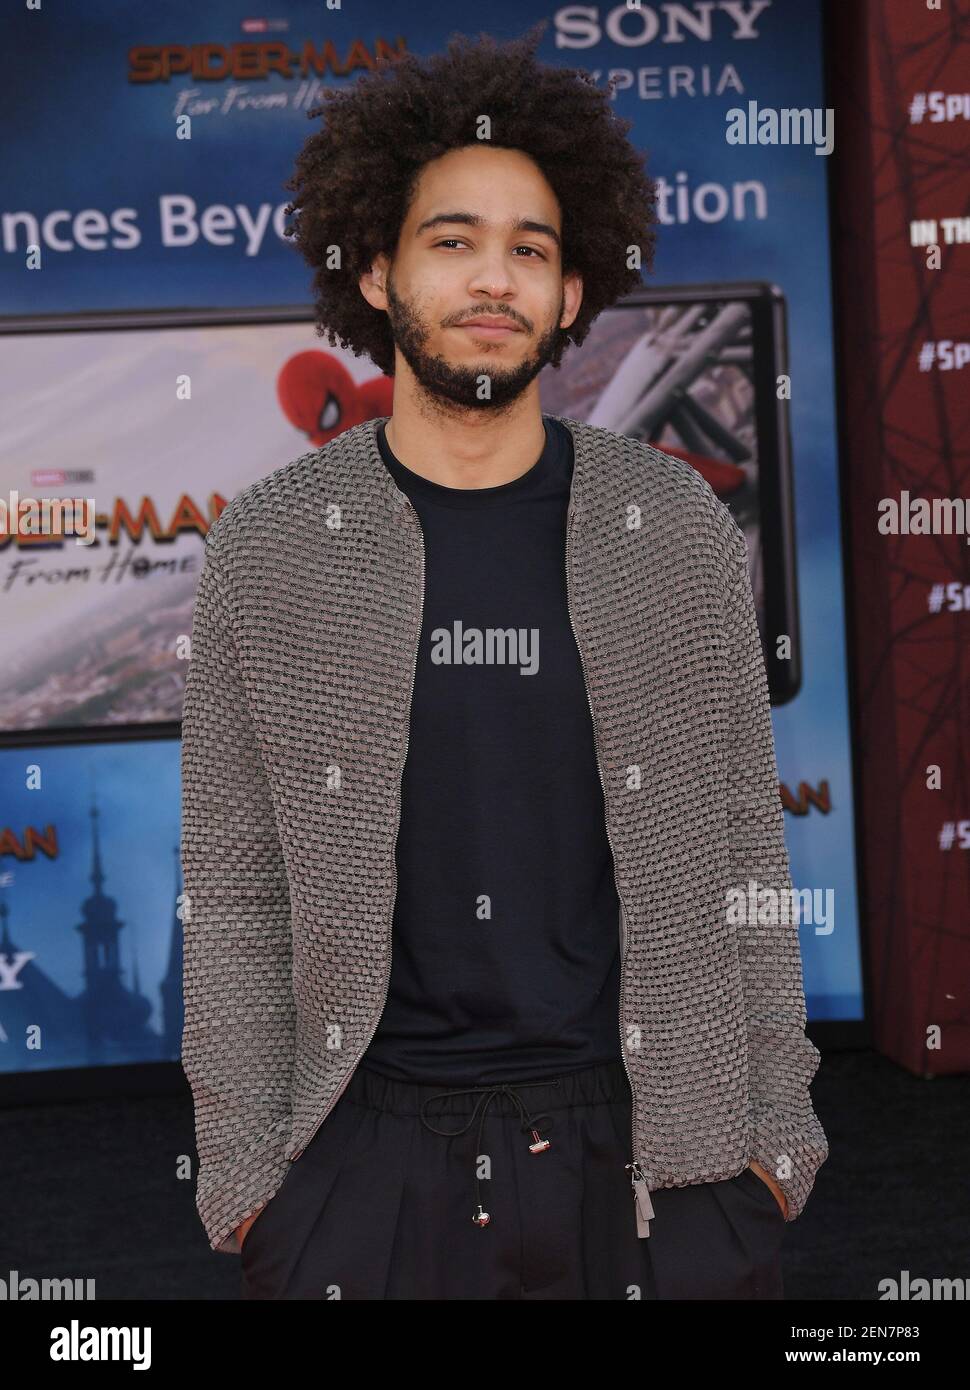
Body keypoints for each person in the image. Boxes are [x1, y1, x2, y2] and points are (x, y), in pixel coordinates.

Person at [179, 24, 828, 1301]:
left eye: (529, 250)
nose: (493, 280)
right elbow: (234, 890)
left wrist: (774, 1147)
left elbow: (748, 846)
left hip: (658, 1157)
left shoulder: (676, 528)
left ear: (572, 293)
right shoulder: (270, 548)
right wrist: (253, 1187)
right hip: (365, 1167)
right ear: (374, 272)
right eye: (451, 240)